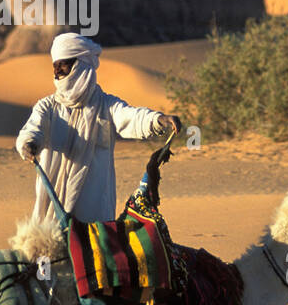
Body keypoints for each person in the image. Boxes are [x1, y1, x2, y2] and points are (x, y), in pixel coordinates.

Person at [16, 32, 180, 231]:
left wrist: (159, 120)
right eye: (55, 66)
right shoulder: (48, 107)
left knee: (96, 257)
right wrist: (29, 143)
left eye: (64, 65)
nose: (58, 72)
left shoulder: (106, 106)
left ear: (81, 66)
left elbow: (132, 117)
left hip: (94, 211)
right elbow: (33, 129)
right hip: (52, 206)